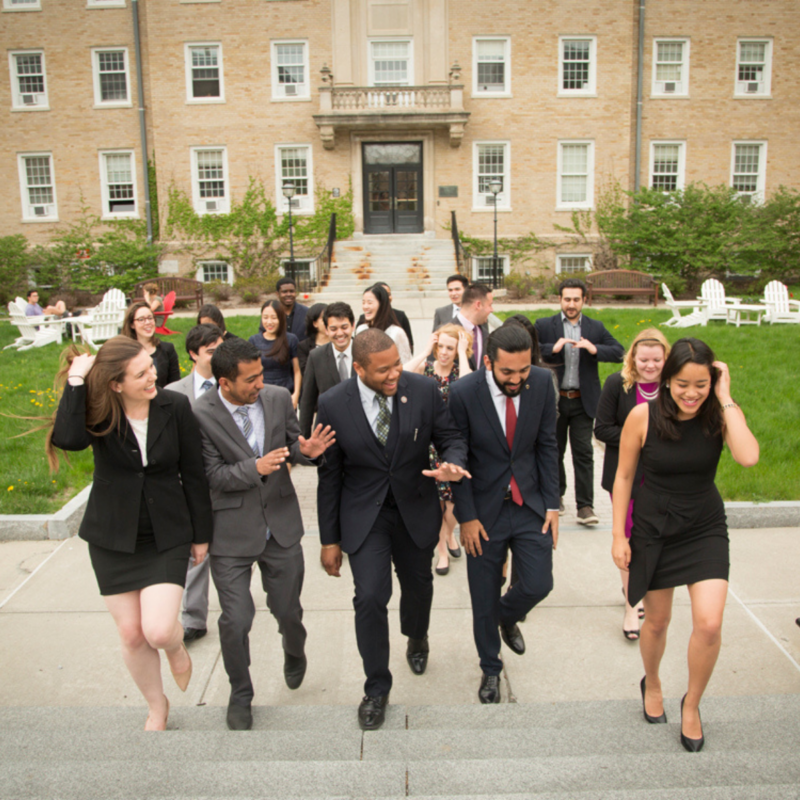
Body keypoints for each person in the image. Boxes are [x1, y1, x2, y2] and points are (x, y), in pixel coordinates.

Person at [48, 336, 213, 731]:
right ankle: (157, 707)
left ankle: (175, 645)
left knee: (157, 630)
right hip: (112, 537)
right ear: (116, 384)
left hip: (167, 533)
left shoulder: (174, 406)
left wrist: (201, 533)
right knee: (132, 635)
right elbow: (68, 439)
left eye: (151, 366)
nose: (153, 376)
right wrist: (76, 380)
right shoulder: (100, 411)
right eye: (141, 373)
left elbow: (193, 472)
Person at [316, 329, 469, 731]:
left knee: (418, 588)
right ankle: (376, 688)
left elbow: (449, 436)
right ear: (359, 368)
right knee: (368, 598)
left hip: (415, 511)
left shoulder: (421, 390)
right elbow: (329, 477)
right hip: (365, 517)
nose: (394, 374)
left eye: (397, 364)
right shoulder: (332, 404)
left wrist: (452, 461)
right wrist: (328, 539)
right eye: (383, 370)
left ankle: (417, 636)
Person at [612, 338, 758, 753]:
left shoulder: (719, 414)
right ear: (666, 379)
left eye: (701, 384)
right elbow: (624, 478)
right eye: (682, 385)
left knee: (709, 624)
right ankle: (652, 681)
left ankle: (692, 703)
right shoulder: (643, 416)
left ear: (712, 380)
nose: (692, 394)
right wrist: (619, 536)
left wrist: (726, 397)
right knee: (656, 622)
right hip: (654, 528)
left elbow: (748, 457)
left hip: (704, 526)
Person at [193, 338, 335, 730]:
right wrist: (255, 467)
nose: (260, 384)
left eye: (260, 375)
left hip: (282, 525)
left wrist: (308, 451)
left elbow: (292, 445)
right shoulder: (199, 414)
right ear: (225, 382)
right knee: (236, 620)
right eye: (250, 379)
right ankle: (240, 693)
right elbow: (212, 476)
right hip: (231, 532)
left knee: (288, 610)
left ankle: (295, 648)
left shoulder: (274, 398)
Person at [449, 326, 560, 704]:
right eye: (507, 372)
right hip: (483, 511)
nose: (517, 380)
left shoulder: (543, 383)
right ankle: (490, 668)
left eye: (523, 370)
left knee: (538, 584)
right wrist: (466, 516)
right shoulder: (464, 393)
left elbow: (547, 444)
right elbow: (457, 454)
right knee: (483, 595)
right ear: (487, 362)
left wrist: (552, 504)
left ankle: (506, 616)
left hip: (529, 503)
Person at [595, 329, 670, 641]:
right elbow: (602, 428)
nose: (649, 366)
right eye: (644, 359)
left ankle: (640, 588)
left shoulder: (673, 388)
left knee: (650, 540)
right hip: (625, 477)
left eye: (656, 359)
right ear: (633, 359)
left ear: (666, 359)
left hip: (661, 480)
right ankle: (631, 605)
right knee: (626, 538)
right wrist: (636, 439)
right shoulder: (618, 384)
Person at [535, 278, 624, 525]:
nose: (571, 304)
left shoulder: (595, 327)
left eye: (576, 299)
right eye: (567, 299)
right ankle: (557, 496)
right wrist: (553, 347)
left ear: (584, 300)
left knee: (584, 453)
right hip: (554, 401)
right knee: (554, 451)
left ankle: (585, 506)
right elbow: (531, 349)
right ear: (560, 299)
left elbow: (619, 351)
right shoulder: (545, 324)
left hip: (583, 401)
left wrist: (594, 349)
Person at [165, 324, 225, 644]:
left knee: (231, 548)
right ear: (193, 354)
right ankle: (194, 618)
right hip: (190, 484)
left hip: (227, 480)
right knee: (196, 553)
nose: (218, 358)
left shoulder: (230, 386)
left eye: (221, 349)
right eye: (211, 352)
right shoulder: (174, 393)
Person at [405, 323, 473, 575]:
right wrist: (424, 352)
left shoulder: (461, 371)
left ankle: (448, 533)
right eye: (440, 346)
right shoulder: (426, 369)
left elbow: (469, 388)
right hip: (428, 444)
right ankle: (442, 548)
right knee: (436, 499)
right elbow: (401, 373)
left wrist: (464, 355)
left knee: (454, 499)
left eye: (450, 348)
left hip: (455, 443)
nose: (443, 352)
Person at [298, 301, 355, 438]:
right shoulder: (316, 356)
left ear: (353, 326)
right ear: (327, 330)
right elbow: (307, 401)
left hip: (362, 430)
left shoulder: (365, 351)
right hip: (329, 433)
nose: (340, 333)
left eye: (344, 327)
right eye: (334, 328)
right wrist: (304, 440)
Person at [249, 299, 301, 409]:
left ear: (281, 318)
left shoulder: (291, 339)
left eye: (274, 317)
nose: (269, 322)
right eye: (265, 317)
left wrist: (296, 395)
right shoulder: (254, 341)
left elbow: (297, 370)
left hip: (285, 394)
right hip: (261, 395)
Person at [122, 301, 180, 389]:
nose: (147, 322)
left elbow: (175, 385)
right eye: (141, 319)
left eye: (150, 318)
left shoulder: (167, 349)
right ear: (132, 325)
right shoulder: (125, 353)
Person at [355, 284, 413, 364]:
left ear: (382, 305)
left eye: (369, 303)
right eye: (363, 302)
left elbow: (406, 365)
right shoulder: (361, 330)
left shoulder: (396, 333)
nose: (365, 306)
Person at [452, 283, 493, 369]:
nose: (491, 310)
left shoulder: (486, 335)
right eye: (489, 305)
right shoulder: (446, 332)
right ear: (478, 305)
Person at [297, 303, 329, 375]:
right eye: (323, 319)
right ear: (315, 323)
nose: (327, 322)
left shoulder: (337, 342)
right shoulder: (303, 346)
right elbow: (305, 372)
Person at [276, 277, 309, 342]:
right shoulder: (272, 313)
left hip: (300, 351)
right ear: (277, 294)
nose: (288, 294)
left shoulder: (307, 313)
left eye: (291, 291)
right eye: (284, 292)